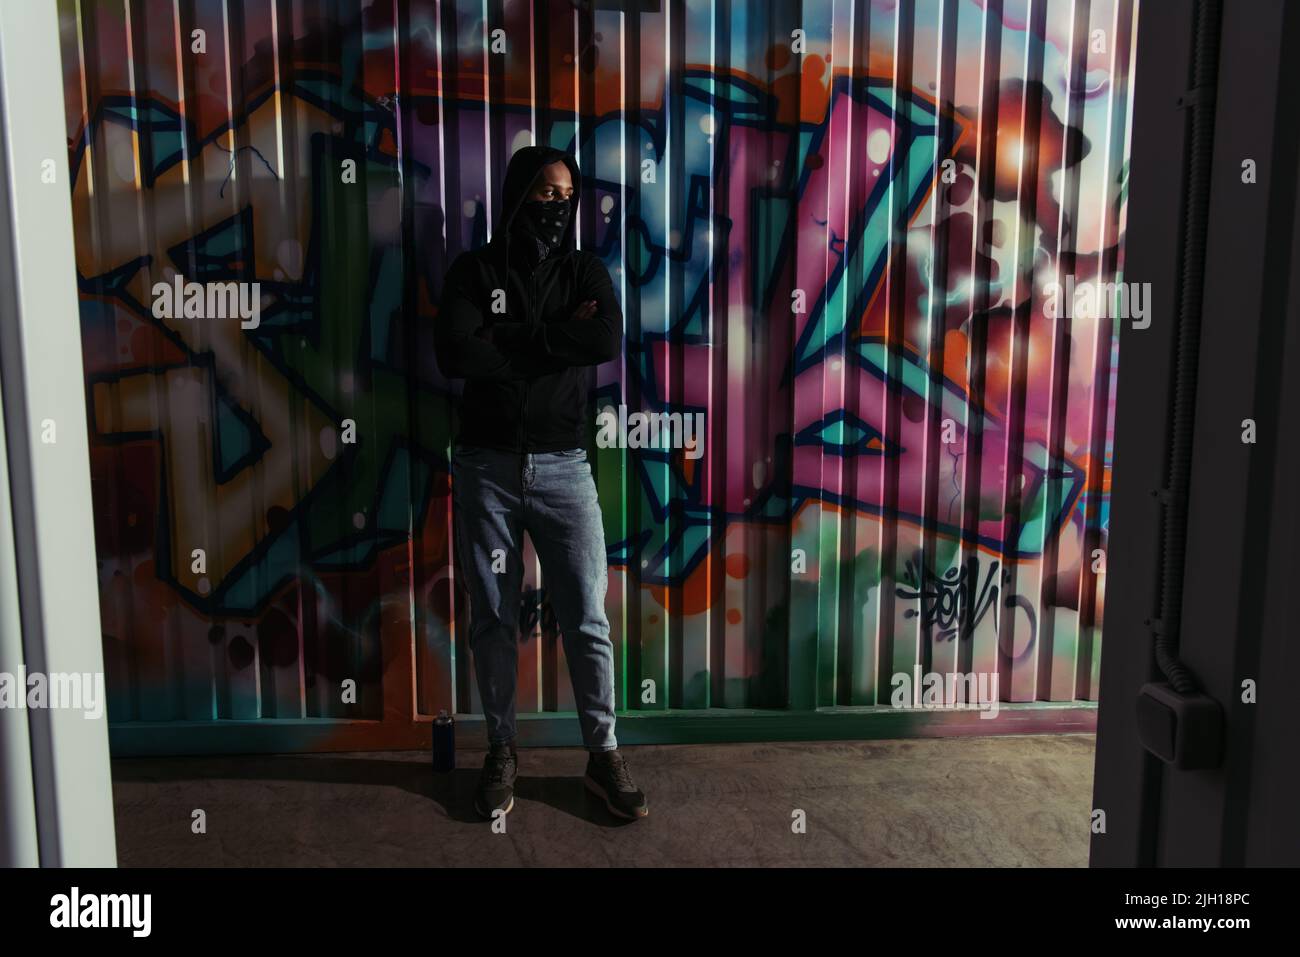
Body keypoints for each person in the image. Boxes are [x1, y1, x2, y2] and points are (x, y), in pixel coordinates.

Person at [434, 145, 647, 821]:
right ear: (516, 195)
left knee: (586, 614)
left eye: (566, 195)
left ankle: (603, 754)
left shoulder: (586, 269)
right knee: (493, 617)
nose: (556, 207)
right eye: (543, 194)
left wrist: (510, 342)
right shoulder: (475, 270)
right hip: (487, 468)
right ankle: (501, 749)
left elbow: (604, 339)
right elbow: (455, 351)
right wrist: (555, 334)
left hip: (564, 467)